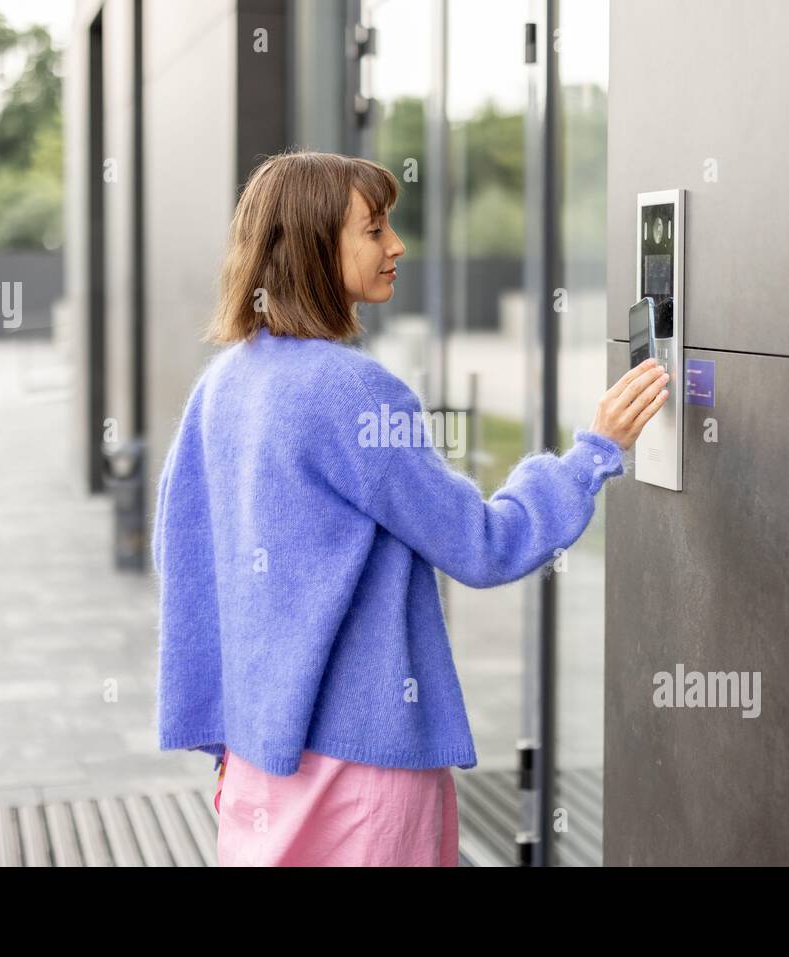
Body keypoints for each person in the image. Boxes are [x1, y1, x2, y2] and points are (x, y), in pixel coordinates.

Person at [152, 149, 669, 866]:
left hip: (259, 763)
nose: (396, 245)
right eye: (374, 228)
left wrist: (228, 726)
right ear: (312, 247)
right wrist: (593, 453)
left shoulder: (222, 386)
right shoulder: (353, 393)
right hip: (364, 775)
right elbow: (483, 545)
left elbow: (186, 565)